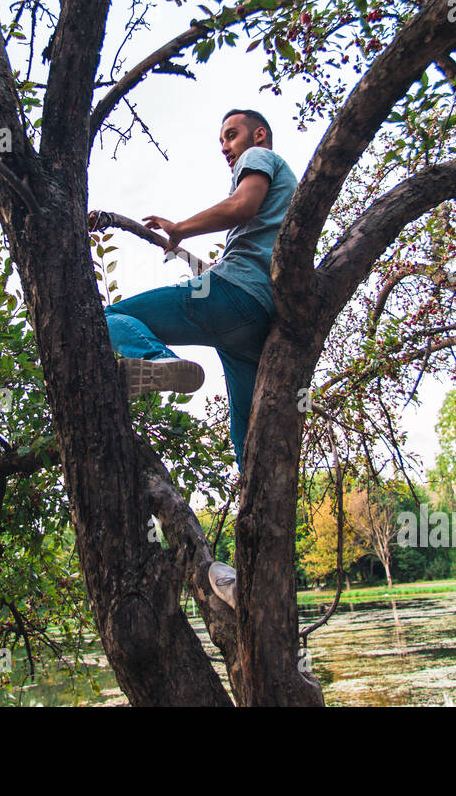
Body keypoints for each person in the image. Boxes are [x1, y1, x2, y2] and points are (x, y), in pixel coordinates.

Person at [92, 109, 299, 610]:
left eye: (231, 135)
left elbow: (242, 205)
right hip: (257, 325)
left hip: (231, 293)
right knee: (247, 447)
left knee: (103, 316)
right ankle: (251, 578)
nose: (227, 146)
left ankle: (154, 359)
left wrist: (181, 228)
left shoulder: (261, 157)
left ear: (258, 134)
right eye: (223, 140)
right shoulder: (286, 192)